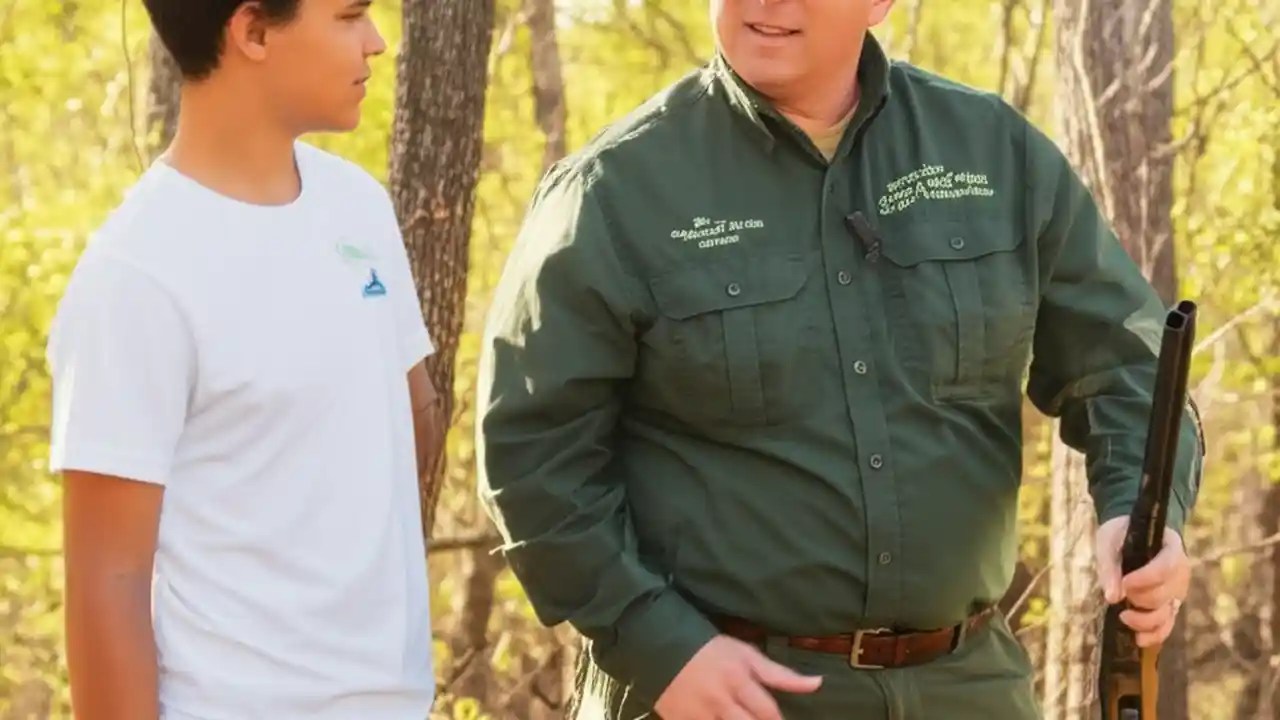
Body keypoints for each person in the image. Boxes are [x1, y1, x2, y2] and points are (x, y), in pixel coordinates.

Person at [476, 0, 1205, 718]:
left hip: (968, 688)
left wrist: (1141, 513)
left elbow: (1128, 361)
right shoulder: (614, 190)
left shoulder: (993, 153)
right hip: (720, 692)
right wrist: (657, 645)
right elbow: (531, 452)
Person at [45, 1, 444, 718]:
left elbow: (413, 415)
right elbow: (109, 580)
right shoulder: (136, 275)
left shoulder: (359, 209)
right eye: (350, 16)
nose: (377, 41)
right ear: (253, 30)